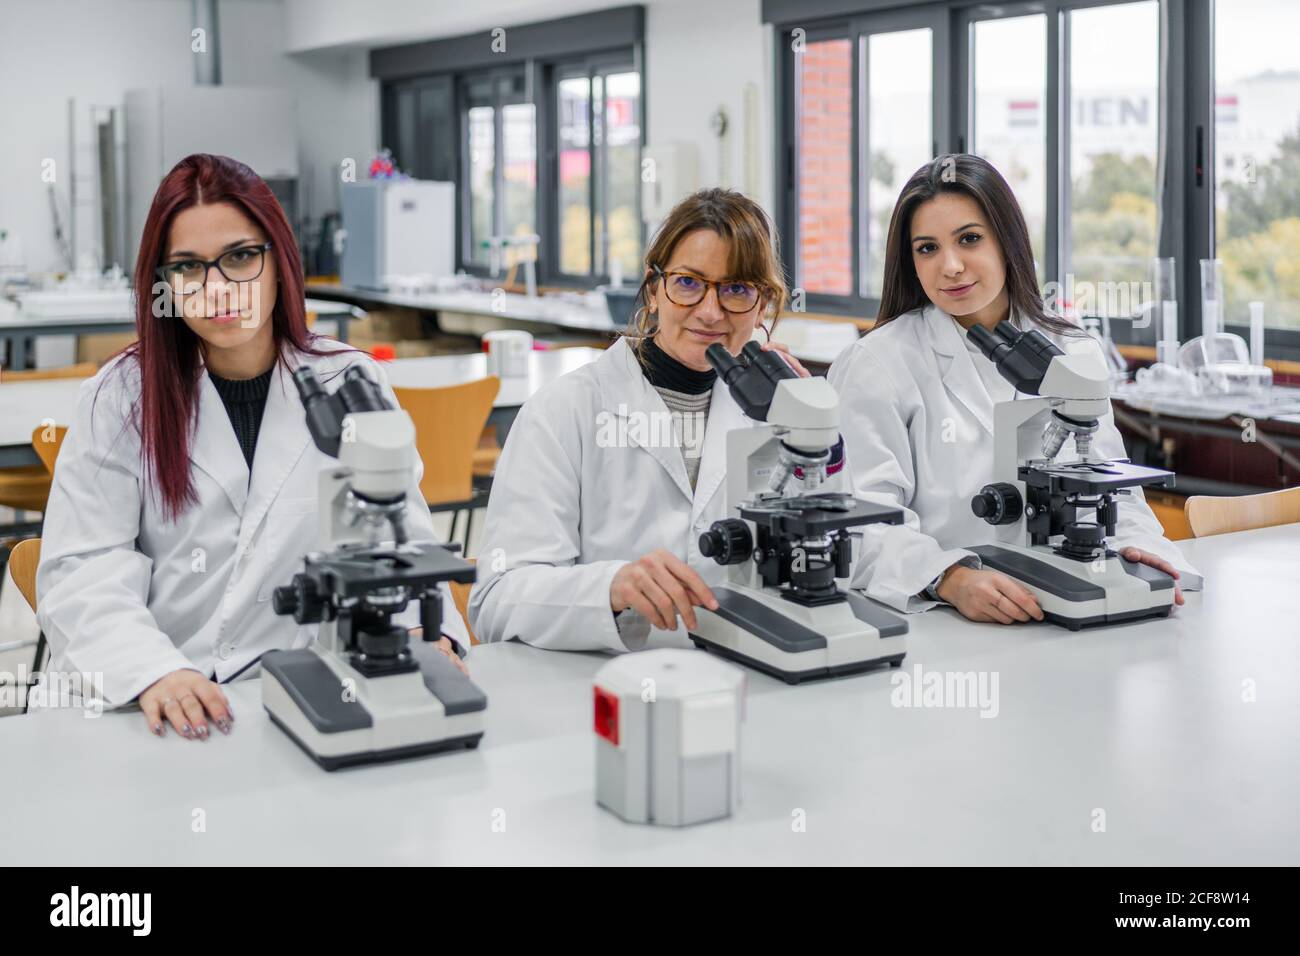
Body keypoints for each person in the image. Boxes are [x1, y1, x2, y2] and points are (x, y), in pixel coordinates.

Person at [36, 153, 468, 737]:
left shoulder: (351, 382)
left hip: (309, 691)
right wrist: (152, 672)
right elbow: (85, 567)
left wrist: (423, 632)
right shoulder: (119, 399)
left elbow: (402, 539)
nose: (217, 289)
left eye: (240, 257)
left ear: (279, 261)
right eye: (189, 267)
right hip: (163, 703)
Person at [828, 154, 1200, 623]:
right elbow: (861, 521)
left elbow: (1115, 490)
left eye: (969, 239)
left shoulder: (1071, 349)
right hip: (946, 628)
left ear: (1007, 241)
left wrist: (1139, 546)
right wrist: (948, 576)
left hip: (1066, 613)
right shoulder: (878, 363)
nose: (951, 266)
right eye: (927, 248)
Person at [469, 187, 827, 651]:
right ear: (654, 288)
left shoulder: (775, 412)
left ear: (762, 305)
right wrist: (610, 589)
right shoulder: (565, 411)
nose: (710, 311)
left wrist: (815, 432)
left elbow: (841, 550)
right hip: (600, 687)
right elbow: (496, 602)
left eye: (737, 289)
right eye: (688, 282)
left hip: (747, 673)